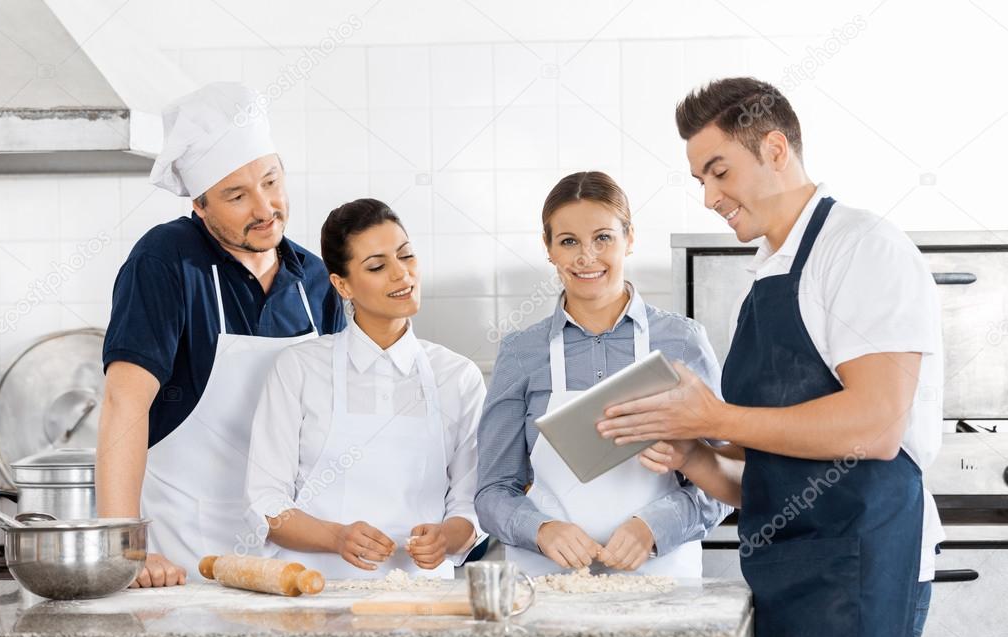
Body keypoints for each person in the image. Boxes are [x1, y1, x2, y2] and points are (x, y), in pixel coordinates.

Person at [597, 78, 943, 637]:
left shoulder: (860, 249)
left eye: (719, 171)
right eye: (701, 180)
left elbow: (878, 425)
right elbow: (774, 477)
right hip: (783, 579)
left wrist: (716, 419)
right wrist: (695, 455)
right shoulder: (766, 277)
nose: (708, 197)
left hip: (860, 575)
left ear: (776, 150)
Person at [96, 82, 345, 587]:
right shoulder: (165, 262)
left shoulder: (316, 279)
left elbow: (335, 422)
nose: (265, 207)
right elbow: (125, 405)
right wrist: (124, 546)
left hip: (297, 555)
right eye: (236, 195)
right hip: (184, 552)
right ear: (201, 206)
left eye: (271, 181)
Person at [475, 171, 730, 577]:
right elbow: (493, 491)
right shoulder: (522, 352)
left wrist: (654, 526)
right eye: (569, 241)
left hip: (661, 578)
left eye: (603, 238)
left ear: (630, 238)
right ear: (549, 249)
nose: (586, 257)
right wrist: (542, 530)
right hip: (547, 582)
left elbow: (724, 478)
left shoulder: (681, 341)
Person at [244, 199, 486, 578]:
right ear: (342, 285)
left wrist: (446, 537)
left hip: (421, 599)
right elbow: (266, 502)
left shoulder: (458, 376)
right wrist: (336, 537)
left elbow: (471, 503)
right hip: (313, 594)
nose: (402, 275)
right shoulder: (300, 368)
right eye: (377, 266)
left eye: (406, 256)